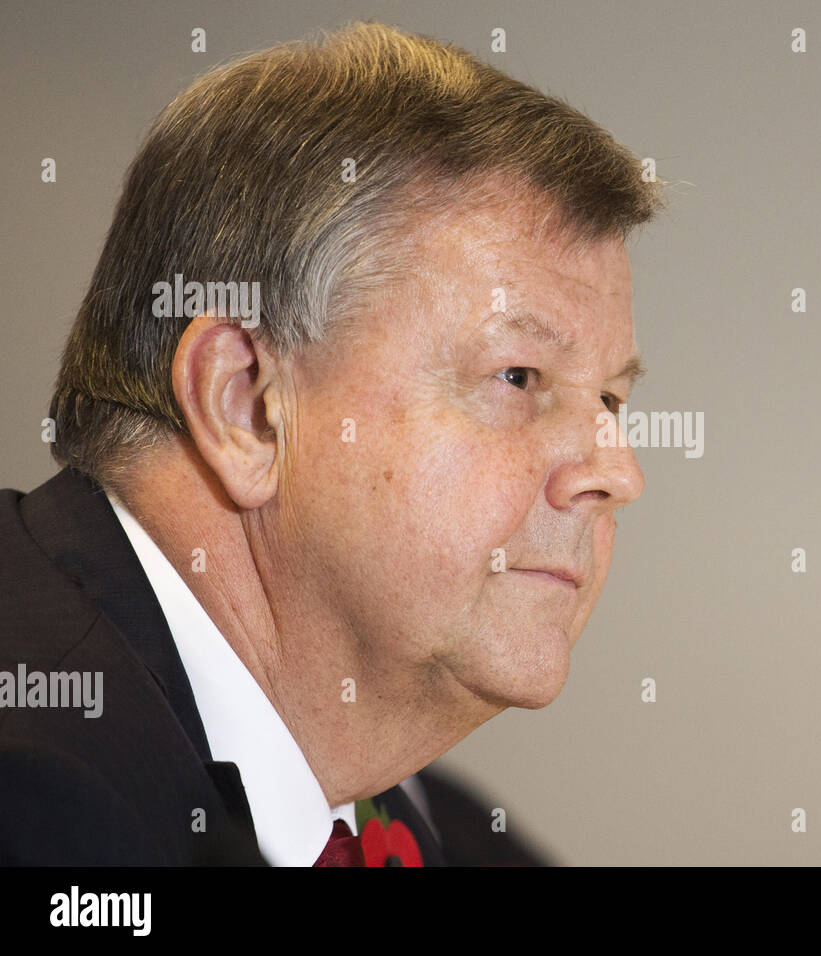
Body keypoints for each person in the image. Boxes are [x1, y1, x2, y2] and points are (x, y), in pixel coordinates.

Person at [0, 20, 662, 866]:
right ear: (247, 408)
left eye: (610, 397)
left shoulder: (461, 843)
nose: (617, 471)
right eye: (520, 377)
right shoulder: (32, 801)